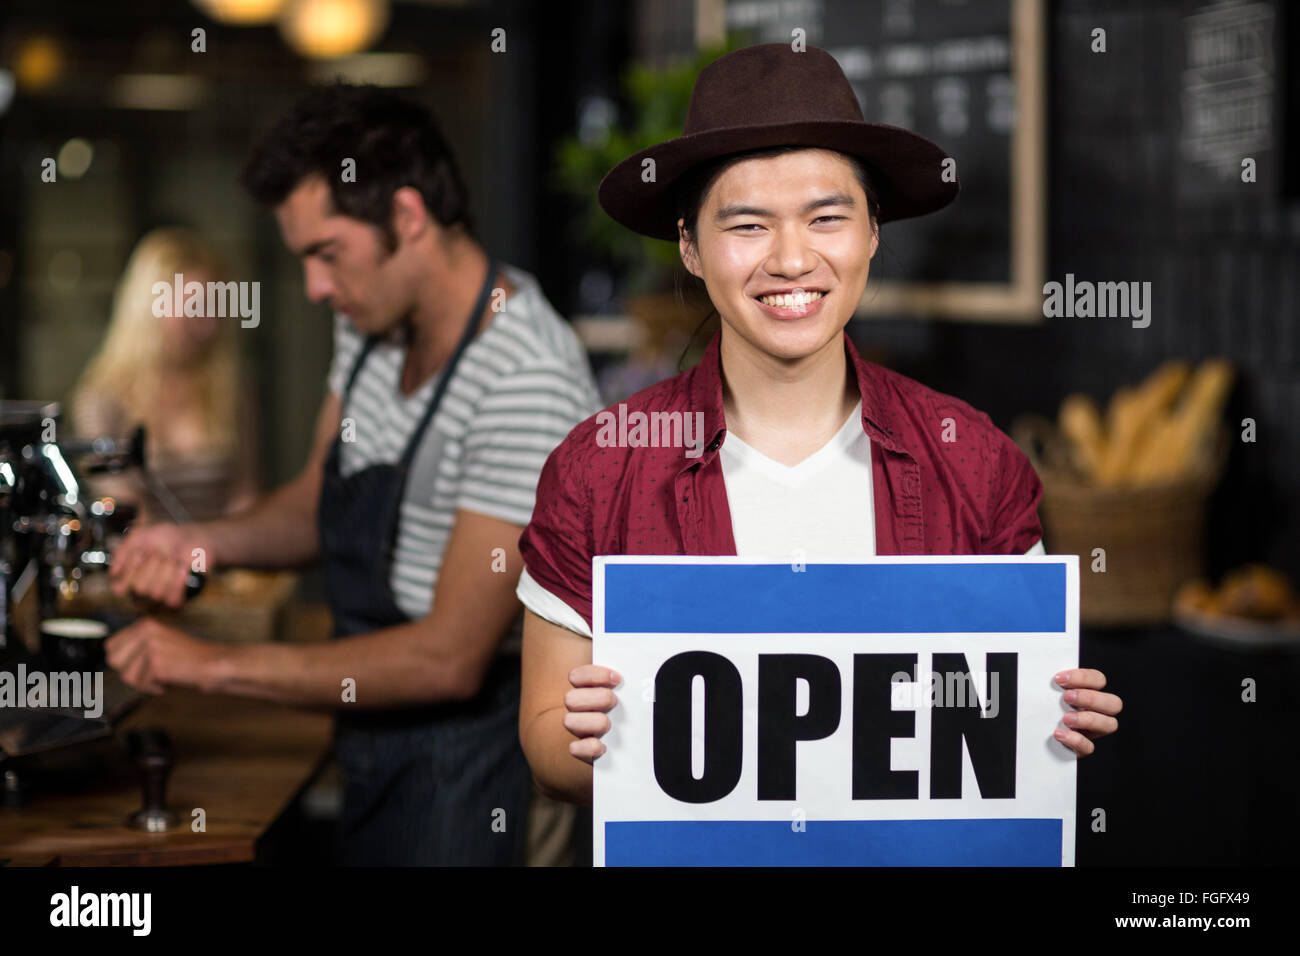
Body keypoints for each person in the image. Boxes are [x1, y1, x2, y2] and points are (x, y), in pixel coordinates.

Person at [516, 44, 1122, 806]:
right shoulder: (600, 469)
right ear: (690, 246)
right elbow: (545, 737)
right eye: (747, 226)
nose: (792, 259)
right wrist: (605, 745)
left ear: (871, 231)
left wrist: (1050, 722)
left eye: (826, 218)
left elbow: (1002, 722)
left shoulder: (975, 463)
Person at [104, 84, 601, 864]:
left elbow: (447, 658)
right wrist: (198, 542)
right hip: (372, 736)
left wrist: (209, 663)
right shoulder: (372, 325)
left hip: (473, 760)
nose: (316, 288)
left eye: (326, 254)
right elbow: (315, 504)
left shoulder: (525, 375)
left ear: (407, 218)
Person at [70, 227, 260, 523]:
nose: (207, 325)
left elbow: (244, 498)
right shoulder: (103, 399)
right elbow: (126, 512)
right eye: (194, 309)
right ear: (149, 310)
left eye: (214, 309)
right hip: (148, 563)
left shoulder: (230, 391)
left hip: (225, 557)